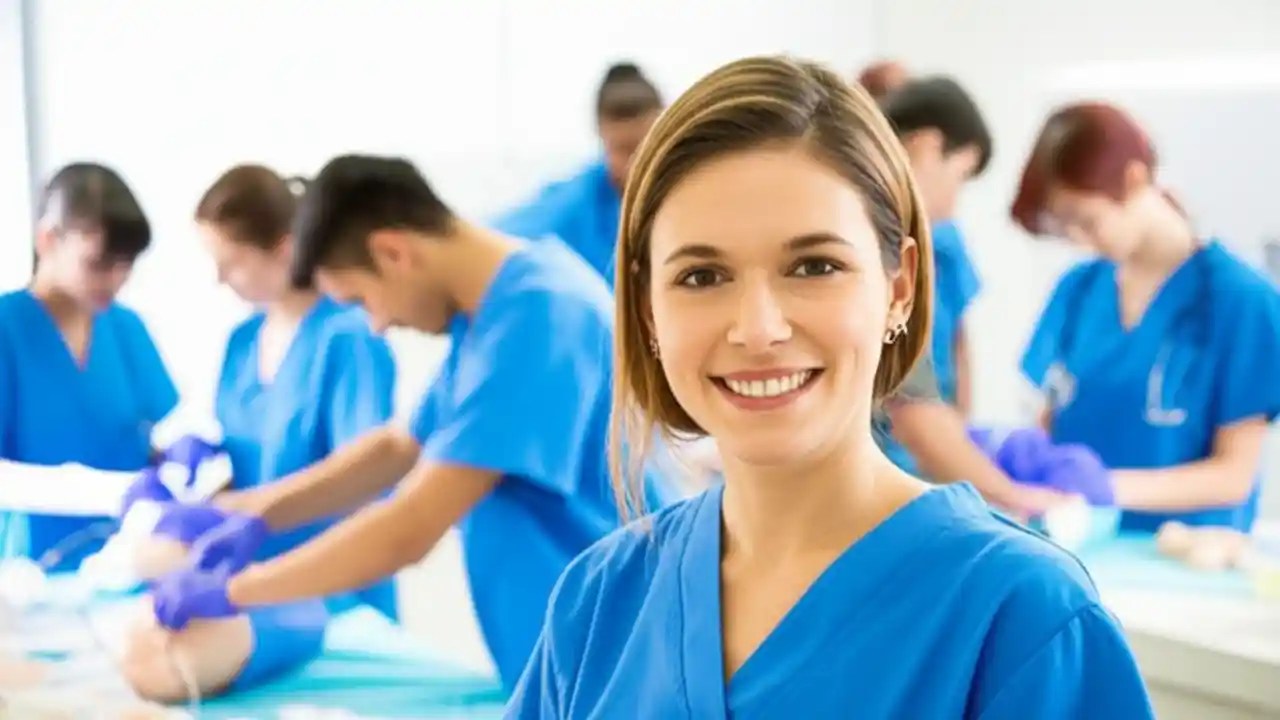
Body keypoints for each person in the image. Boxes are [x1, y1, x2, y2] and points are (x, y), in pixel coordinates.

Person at [506, 56, 1153, 718]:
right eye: (701, 276)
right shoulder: (598, 603)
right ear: (647, 309)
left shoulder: (1020, 619)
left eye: (814, 266)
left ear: (898, 286)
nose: (757, 329)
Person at [148, 154, 669, 692]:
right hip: (567, 657)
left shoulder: (540, 316)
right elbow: (400, 447)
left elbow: (413, 525)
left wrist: (238, 590)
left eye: (361, 299)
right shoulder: (493, 311)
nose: (376, 322)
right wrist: (251, 513)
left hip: (621, 655)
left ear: (392, 252)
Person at [1015, 101, 1280, 533]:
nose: (1081, 242)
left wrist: (1107, 487)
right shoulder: (1078, 290)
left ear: (1134, 179)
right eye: (1067, 231)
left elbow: (1234, 476)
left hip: (1188, 561)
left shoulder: (1241, 299)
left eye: (1088, 222)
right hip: (1077, 547)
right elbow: (1048, 419)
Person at [873, 77, 1061, 516]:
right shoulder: (880, 250)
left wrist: (960, 444)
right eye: (961, 177)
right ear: (926, 146)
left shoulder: (941, 244)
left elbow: (954, 350)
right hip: (883, 483)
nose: (956, 202)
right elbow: (912, 411)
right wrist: (1011, 496)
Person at [0, 162, 178, 571]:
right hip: (28, 575)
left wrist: (179, 458)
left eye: (126, 264)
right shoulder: (8, 329)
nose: (116, 280)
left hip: (126, 567)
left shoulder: (125, 328)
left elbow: (160, 430)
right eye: (99, 263)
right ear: (48, 239)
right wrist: (85, 488)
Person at [494, 62, 663, 285]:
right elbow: (492, 243)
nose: (636, 165)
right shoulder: (571, 204)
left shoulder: (692, 193)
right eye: (623, 150)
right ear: (602, 137)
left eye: (646, 146)